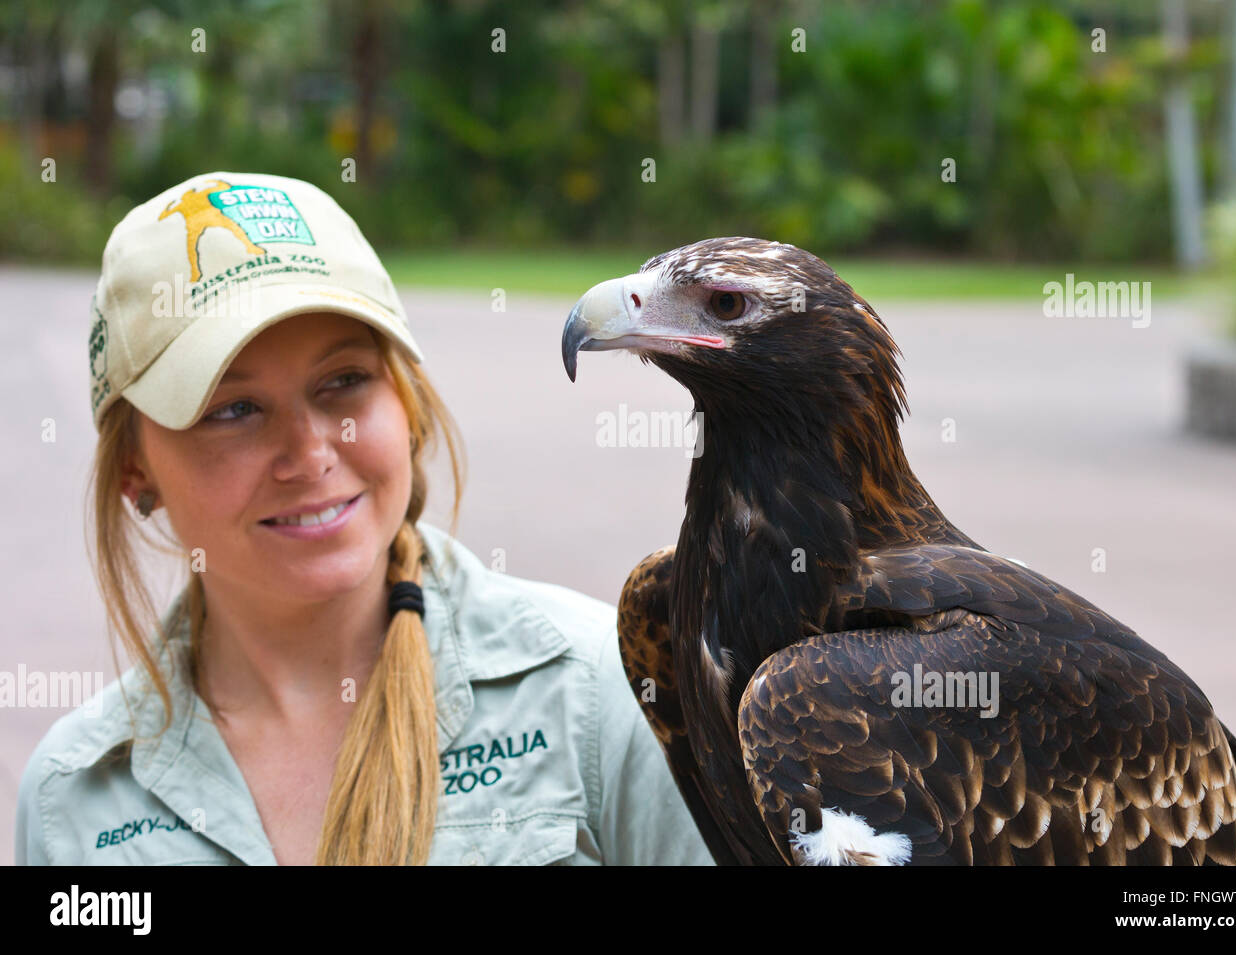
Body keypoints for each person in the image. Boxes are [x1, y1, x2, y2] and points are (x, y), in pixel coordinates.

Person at [14, 171, 714, 866]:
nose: (311, 453)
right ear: (135, 466)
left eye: (344, 381)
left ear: (406, 403)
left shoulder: (604, 691)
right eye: (233, 410)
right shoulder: (73, 797)